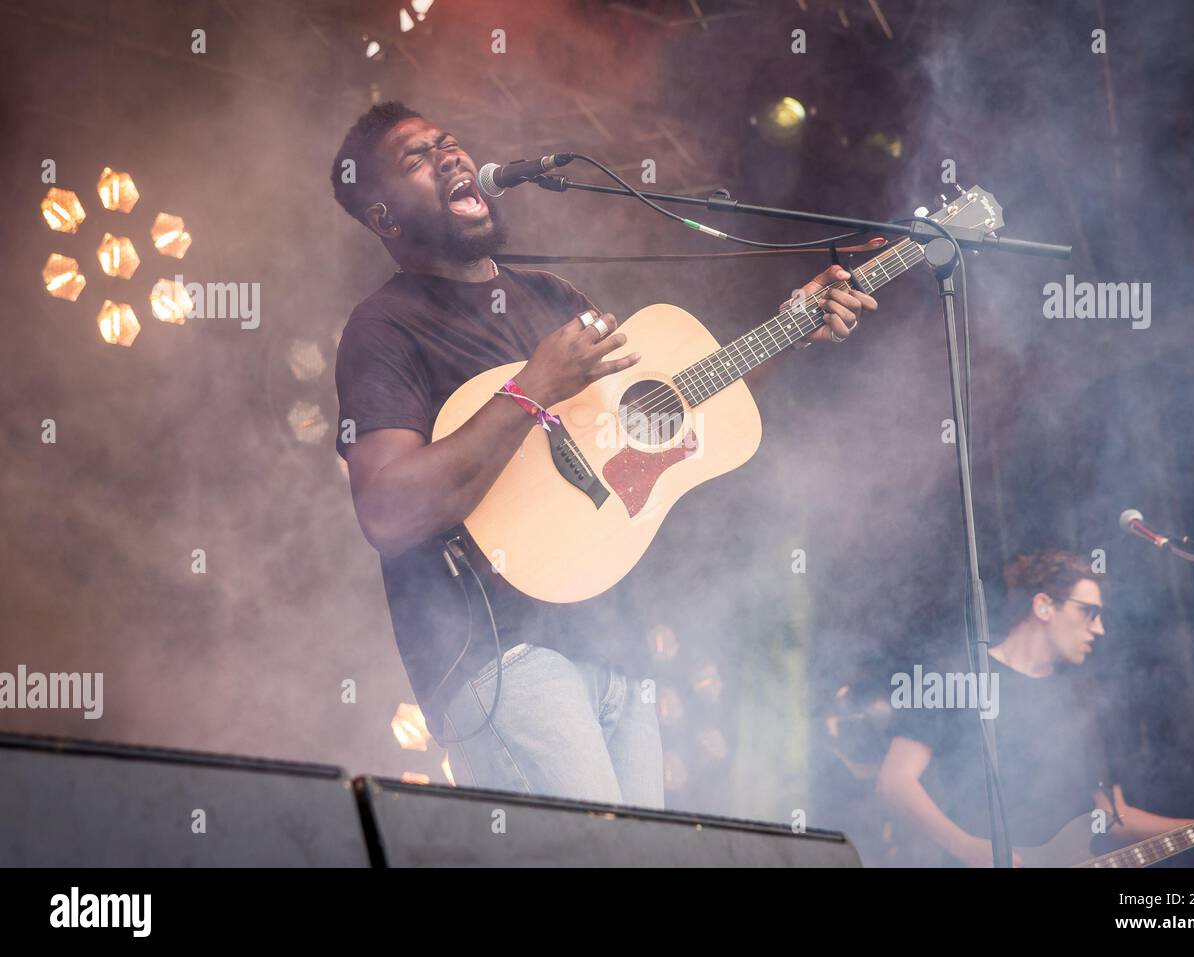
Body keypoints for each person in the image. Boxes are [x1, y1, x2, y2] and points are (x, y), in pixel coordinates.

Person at [329, 101, 877, 809]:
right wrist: (532, 390)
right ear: (384, 218)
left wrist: (789, 328)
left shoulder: (550, 295)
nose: (451, 157)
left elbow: (658, 421)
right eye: (417, 158)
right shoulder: (383, 327)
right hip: (502, 658)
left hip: (616, 647)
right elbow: (385, 508)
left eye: (450, 144)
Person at [876, 549, 1194, 866]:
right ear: (1043, 606)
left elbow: (1115, 817)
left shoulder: (1083, 700)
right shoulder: (959, 676)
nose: (1099, 629)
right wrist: (968, 849)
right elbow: (895, 781)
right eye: (1088, 612)